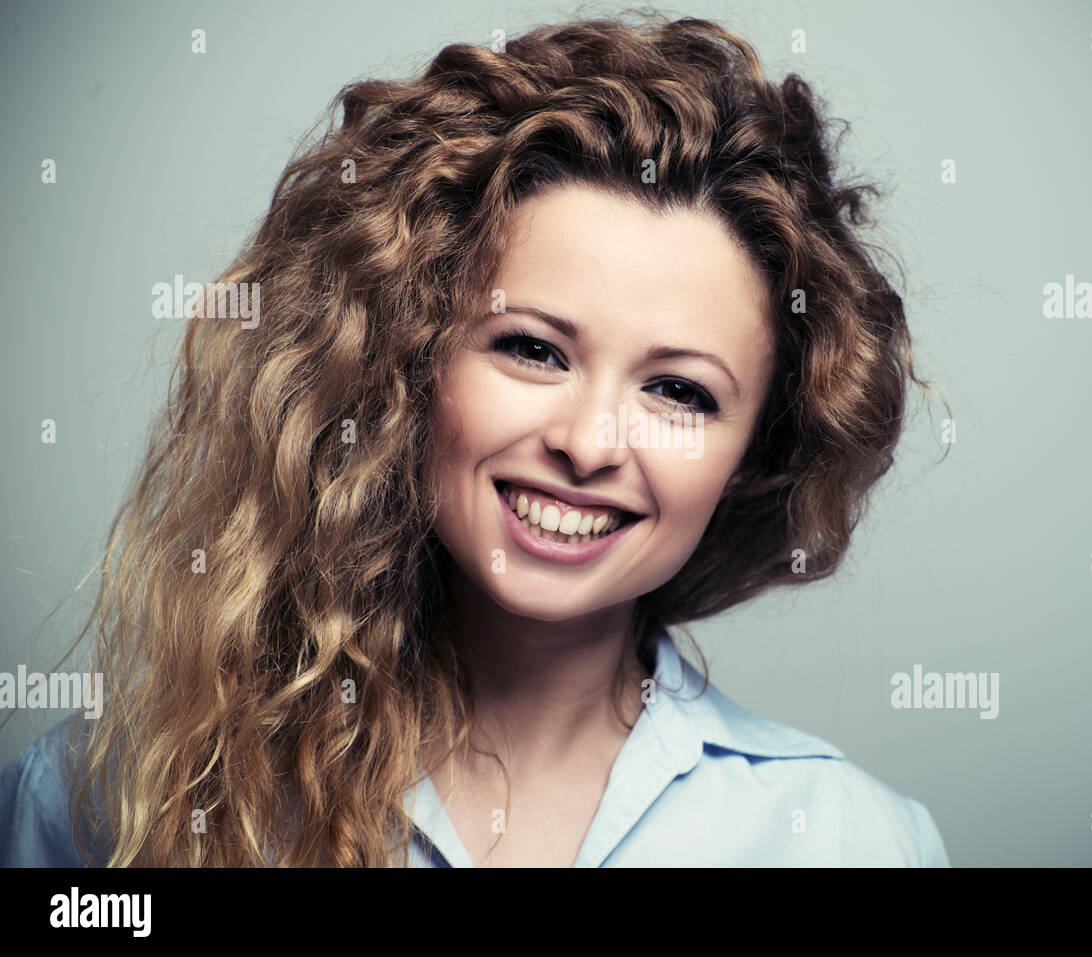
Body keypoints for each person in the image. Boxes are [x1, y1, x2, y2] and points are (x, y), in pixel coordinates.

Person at [0, 12, 950, 867]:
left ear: (752, 449)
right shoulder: (101, 803)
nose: (588, 442)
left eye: (678, 390)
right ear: (408, 361)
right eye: (532, 348)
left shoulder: (846, 837)